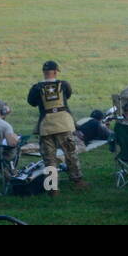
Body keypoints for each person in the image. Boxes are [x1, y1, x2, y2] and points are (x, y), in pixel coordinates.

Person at [27, 60, 88, 194]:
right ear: (55, 72)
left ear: (44, 73)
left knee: (49, 158)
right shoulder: (64, 85)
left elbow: (31, 102)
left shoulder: (36, 88)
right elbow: (68, 95)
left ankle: (53, 187)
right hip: (64, 123)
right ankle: (77, 180)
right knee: (70, 153)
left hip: (46, 125)